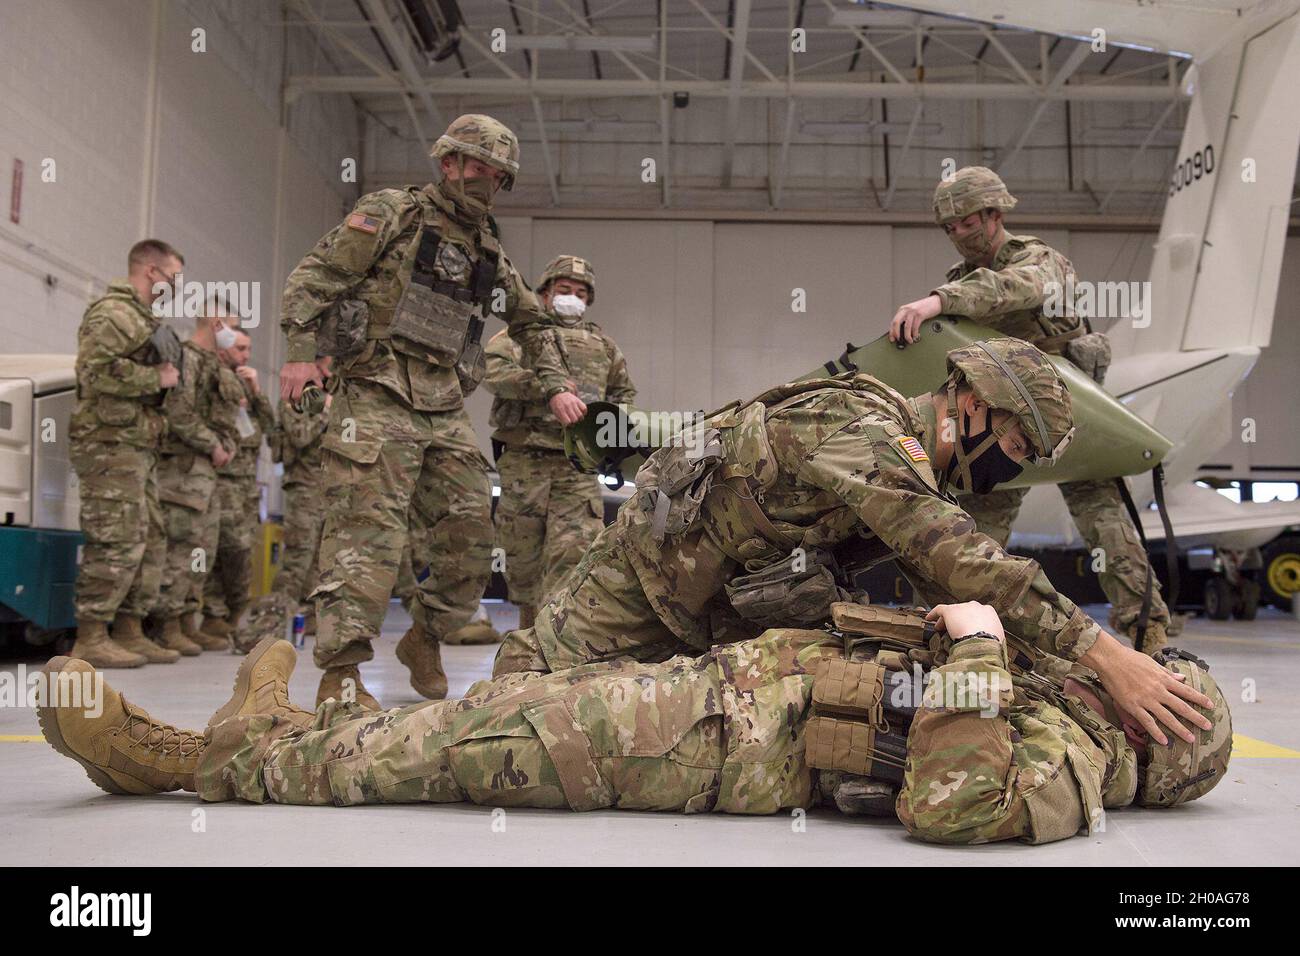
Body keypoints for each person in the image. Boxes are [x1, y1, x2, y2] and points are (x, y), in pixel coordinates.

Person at [34, 598, 1231, 846]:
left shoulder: (1074, 762)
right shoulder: (1052, 688)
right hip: (714, 693)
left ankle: (188, 761)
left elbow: (956, 803)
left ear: (1165, 734)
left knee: (435, 753)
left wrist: (972, 649)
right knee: (482, 715)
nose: (1136, 672)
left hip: (705, 745)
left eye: (1161, 681)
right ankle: (271, 723)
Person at [493, 338, 1214, 747]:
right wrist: (1107, 654)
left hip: (707, 618)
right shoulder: (862, 431)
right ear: (971, 404)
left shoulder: (913, 471)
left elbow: (955, 589)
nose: (1014, 467)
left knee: (606, 734)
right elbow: (958, 556)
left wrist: (1054, 675)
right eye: (1017, 444)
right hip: (634, 591)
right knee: (512, 705)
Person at [275, 113, 578, 709]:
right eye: (479, 169)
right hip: (374, 392)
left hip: (443, 404)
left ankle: (427, 635)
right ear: (448, 163)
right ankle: (341, 674)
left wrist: (556, 383)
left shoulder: (488, 249)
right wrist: (299, 355)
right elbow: (315, 277)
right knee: (366, 536)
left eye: (499, 176)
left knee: (471, 536)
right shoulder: (394, 213)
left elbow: (532, 322)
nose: (487, 183)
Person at [887, 165, 1174, 653]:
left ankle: (1152, 639)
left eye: (968, 222)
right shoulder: (963, 281)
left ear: (995, 214)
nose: (958, 234)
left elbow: (1019, 288)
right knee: (974, 534)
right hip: (1001, 425)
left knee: (1104, 523)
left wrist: (939, 301)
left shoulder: (1040, 261)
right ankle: (951, 631)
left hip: (1067, 414)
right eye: (950, 227)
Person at [485, 254, 636, 630]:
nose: (572, 298)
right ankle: (526, 629)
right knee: (522, 558)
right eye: (564, 290)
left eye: (580, 292)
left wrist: (609, 430)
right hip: (524, 462)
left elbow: (624, 394)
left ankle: (555, 640)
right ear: (545, 294)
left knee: (575, 553)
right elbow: (491, 373)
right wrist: (546, 390)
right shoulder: (516, 338)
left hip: (577, 467)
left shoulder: (604, 346)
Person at [66, 239, 183, 668]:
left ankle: (129, 628)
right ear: (152, 271)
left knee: (148, 536)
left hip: (137, 444)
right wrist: (156, 377)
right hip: (109, 444)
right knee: (115, 536)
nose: (176, 284)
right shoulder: (113, 314)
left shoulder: (143, 319)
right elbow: (93, 372)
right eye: (174, 276)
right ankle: (91, 635)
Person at [151, 301, 244, 656]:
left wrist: (227, 445)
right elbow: (178, 411)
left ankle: (188, 619)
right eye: (232, 327)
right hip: (183, 470)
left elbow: (226, 417)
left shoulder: (215, 364)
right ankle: (166, 624)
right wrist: (213, 444)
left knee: (201, 551)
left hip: (207, 474)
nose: (234, 334)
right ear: (217, 323)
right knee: (180, 547)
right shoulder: (187, 358)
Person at [201, 329, 274, 648]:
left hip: (246, 483)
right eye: (240, 347)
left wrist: (256, 392)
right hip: (220, 477)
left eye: (248, 349)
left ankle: (232, 613)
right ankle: (213, 615)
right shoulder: (212, 380)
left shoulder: (247, 385)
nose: (244, 354)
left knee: (241, 550)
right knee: (217, 548)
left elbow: (272, 427)